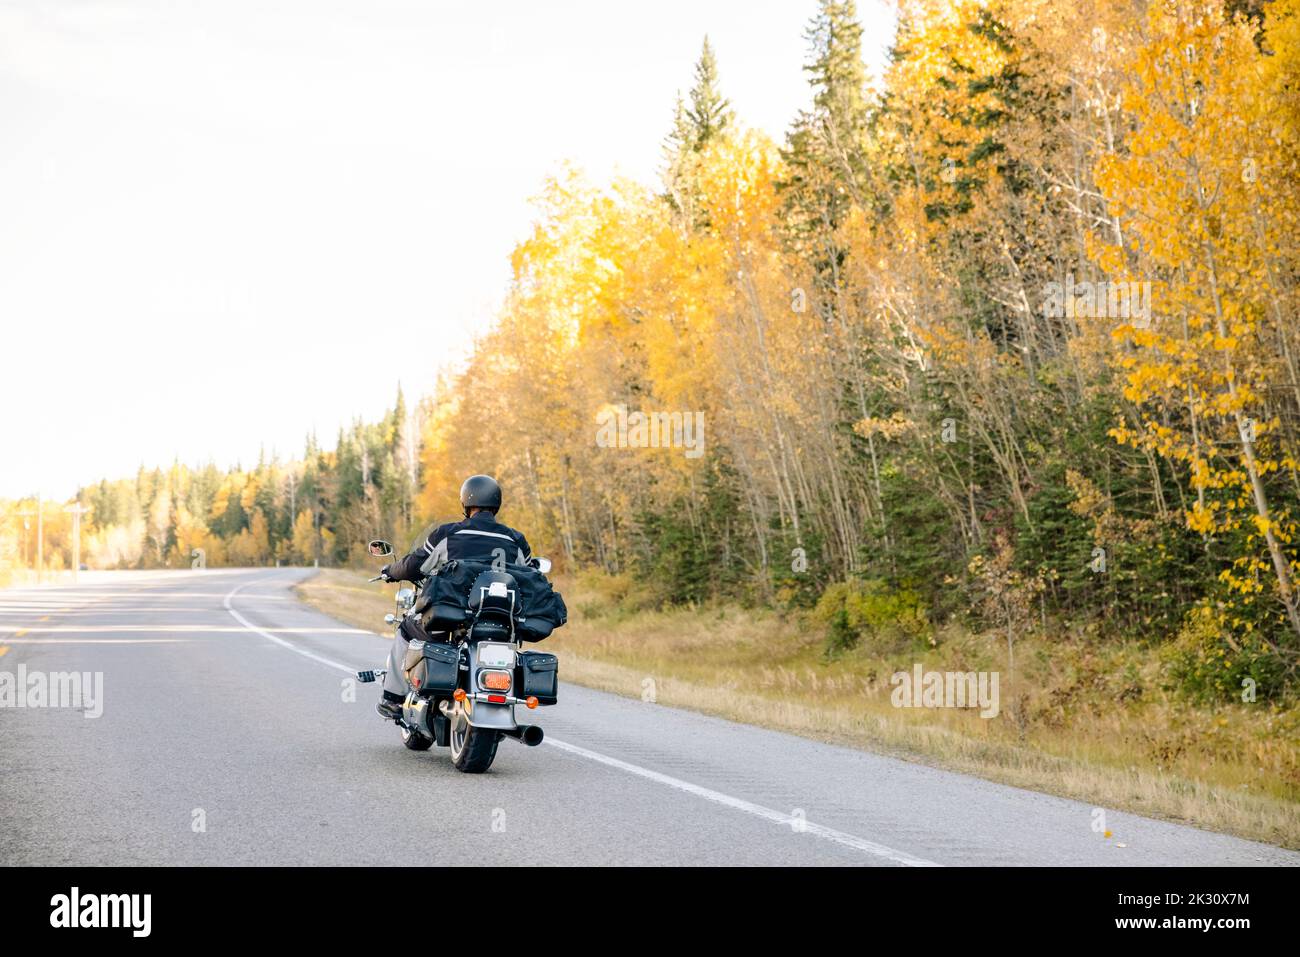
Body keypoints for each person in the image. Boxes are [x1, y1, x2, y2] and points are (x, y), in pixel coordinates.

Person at [375, 474, 531, 720]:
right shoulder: (516, 540)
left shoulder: (448, 534)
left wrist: (390, 571)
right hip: (503, 622)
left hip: (455, 616)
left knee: (406, 629)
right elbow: (528, 575)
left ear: (466, 502)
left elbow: (414, 565)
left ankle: (392, 698)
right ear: (496, 503)